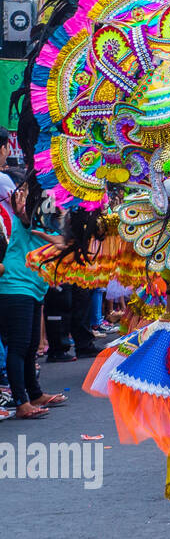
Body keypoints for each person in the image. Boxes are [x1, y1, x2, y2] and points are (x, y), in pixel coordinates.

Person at [0, 169, 65, 419]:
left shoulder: (53, 211)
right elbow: (26, 219)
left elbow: (66, 241)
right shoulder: (28, 210)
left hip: (34, 287)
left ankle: (34, 394)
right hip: (16, 285)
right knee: (18, 346)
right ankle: (21, 402)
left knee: (28, 348)